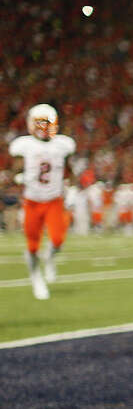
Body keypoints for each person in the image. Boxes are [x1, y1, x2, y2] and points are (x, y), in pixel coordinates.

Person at [8, 103, 76, 300]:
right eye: (40, 123)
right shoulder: (24, 145)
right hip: (32, 200)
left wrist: (70, 189)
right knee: (32, 245)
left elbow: (69, 170)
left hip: (54, 199)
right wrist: (18, 177)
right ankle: (36, 277)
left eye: (47, 123)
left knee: (57, 240)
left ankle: (50, 260)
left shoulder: (63, 145)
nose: (43, 127)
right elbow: (16, 168)